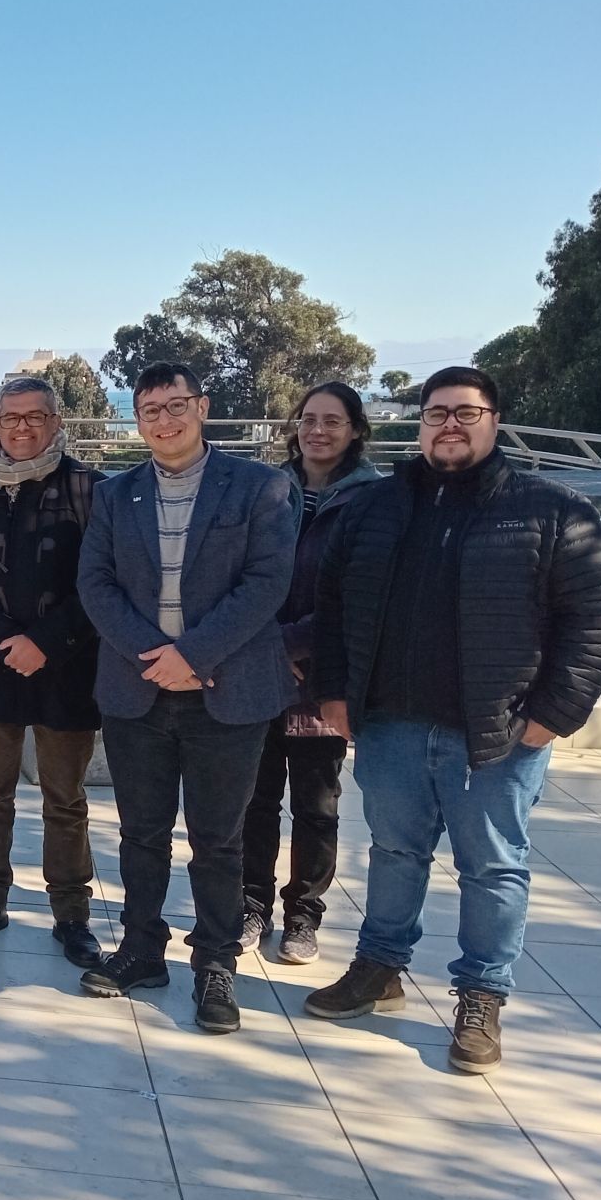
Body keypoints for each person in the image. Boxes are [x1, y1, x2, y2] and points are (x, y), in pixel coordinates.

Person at [305, 366, 601, 1074]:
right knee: (394, 852)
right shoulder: (375, 506)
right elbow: (332, 607)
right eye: (436, 413)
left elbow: (597, 617)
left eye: (465, 413)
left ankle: (482, 995)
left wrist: (554, 713)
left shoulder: (551, 509)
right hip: (390, 723)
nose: (449, 425)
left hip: (496, 733)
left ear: (493, 421)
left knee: (493, 868)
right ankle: (380, 967)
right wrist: (334, 692)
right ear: (419, 424)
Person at [74, 363, 295, 1034]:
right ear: (137, 420)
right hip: (138, 688)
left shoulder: (259, 486)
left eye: (176, 406)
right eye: (150, 410)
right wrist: (156, 657)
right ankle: (141, 947)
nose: (164, 421)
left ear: (202, 407)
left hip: (225, 690)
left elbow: (266, 583)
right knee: (140, 832)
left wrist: (192, 656)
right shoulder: (116, 495)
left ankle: (216, 963)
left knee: (218, 838)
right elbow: (95, 583)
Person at [0, 377, 103, 963]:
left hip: (67, 666)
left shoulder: (88, 488)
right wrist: (4, 641)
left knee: (65, 798)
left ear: (56, 421)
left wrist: (46, 643)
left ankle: (72, 914)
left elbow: (100, 581)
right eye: (11, 417)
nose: (22, 427)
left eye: (35, 416)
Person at [238, 382, 381, 963]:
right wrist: (262, 646)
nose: (318, 431)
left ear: (355, 430)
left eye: (333, 421)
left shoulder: (373, 499)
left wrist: (293, 646)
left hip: (324, 677)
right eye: (309, 419)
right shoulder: (267, 490)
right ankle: (251, 904)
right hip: (257, 671)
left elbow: (363, 594)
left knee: (316, 805)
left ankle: (303, 914)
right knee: (254, 798)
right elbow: (238, 575)